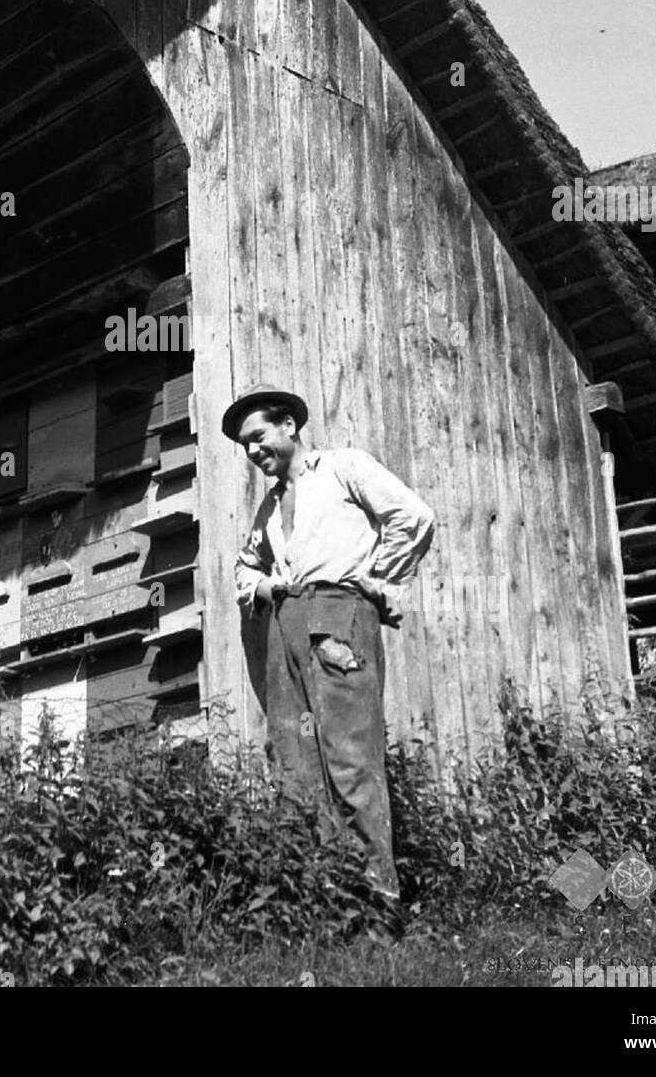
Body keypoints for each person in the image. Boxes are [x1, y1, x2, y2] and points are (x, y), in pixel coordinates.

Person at [224, 384, 435, 935]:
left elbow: (413, 516)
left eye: (259, 436)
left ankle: (381, 912)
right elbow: (244, 570)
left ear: (289, 425)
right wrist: (267, 588)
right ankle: (328, 909)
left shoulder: (343, 468)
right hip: (285, 626)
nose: (252, 451)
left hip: (338, 618)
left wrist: (372, 584)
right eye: (245, 444)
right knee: (296, 763)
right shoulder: (268, 507)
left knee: (350, 761)